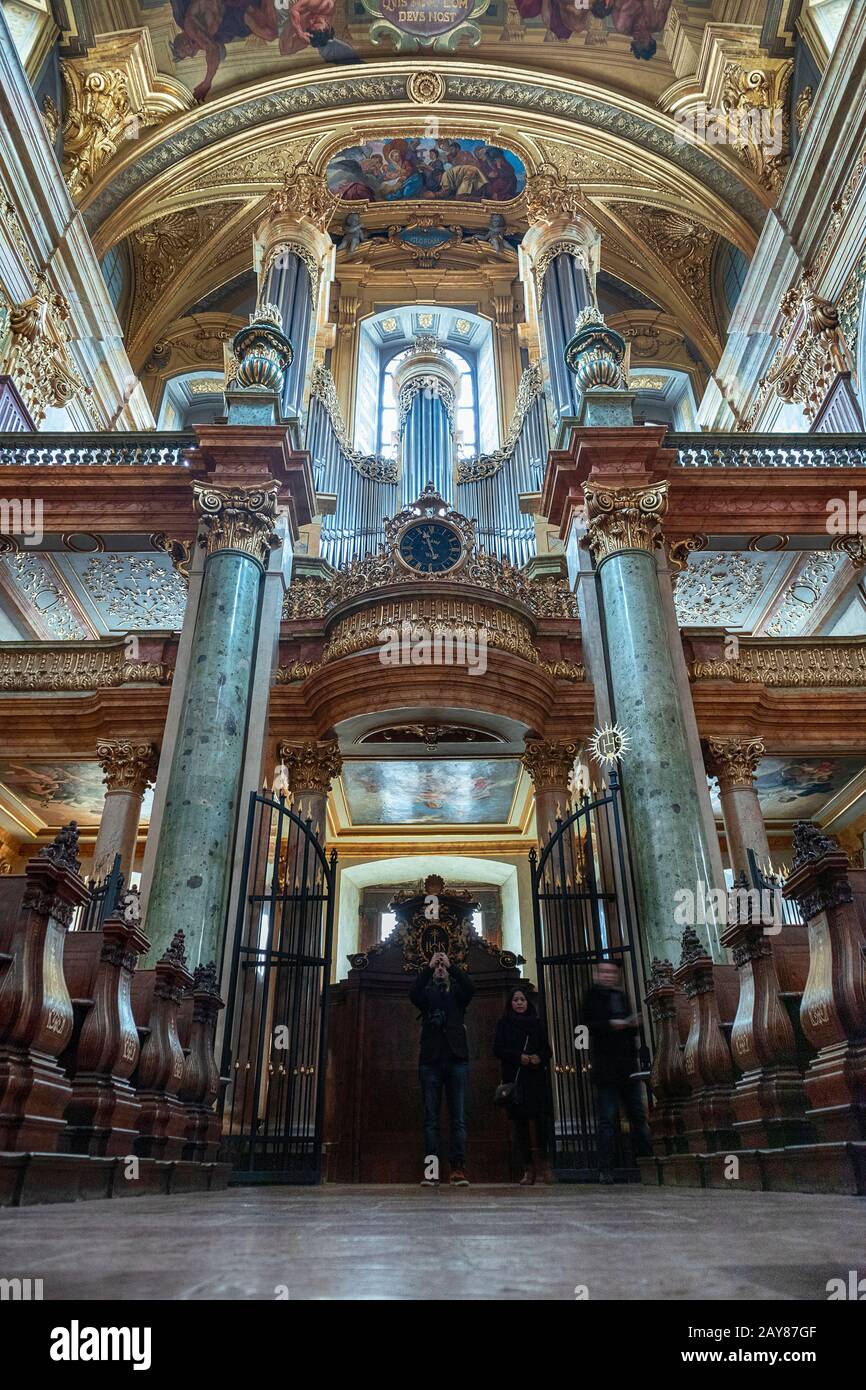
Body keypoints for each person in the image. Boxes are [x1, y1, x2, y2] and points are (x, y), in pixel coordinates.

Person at [581, 959, 653, 1183]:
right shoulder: (591, 997)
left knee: (638, 1116)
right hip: (606, 1068)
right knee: (607, 1119)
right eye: (604, 971)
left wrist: (633, 1025)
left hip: (627, 1067)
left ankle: (647, 1166)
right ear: (596, 974)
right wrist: (612, 1024)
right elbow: (584, 1028)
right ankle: (605, 1169)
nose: (608, 975)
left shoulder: (621, 996)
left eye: (611, 972)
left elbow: (633, 1032)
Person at [409, 950, 474, 1186]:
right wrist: (428, 968)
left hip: (456, 1060)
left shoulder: (457, 994)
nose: (439, 969)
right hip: (431, 1062)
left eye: (442, 968)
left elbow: (470, 988)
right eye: (438, 968)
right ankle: (431, 1171)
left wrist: (452, 966)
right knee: (431, 1119)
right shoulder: (426, 995)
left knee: (458, 1119)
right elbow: (412, 993)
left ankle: (458, 1170)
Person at [493, 986, 552, 1185]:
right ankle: (528, 1170)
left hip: (535, 1079)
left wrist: (538, 1057)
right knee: (521, 1127)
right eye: (516, 999)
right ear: (510, 1003)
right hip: (516, 1081)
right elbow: (497, 1049)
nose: (519, 1003)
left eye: (523, 1000)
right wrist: (519, 1057)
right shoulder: (504, 1024)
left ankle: (544, 1166)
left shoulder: (536, 1024)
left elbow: (547, 1050)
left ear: (528, 1003)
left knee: (542, 1124)